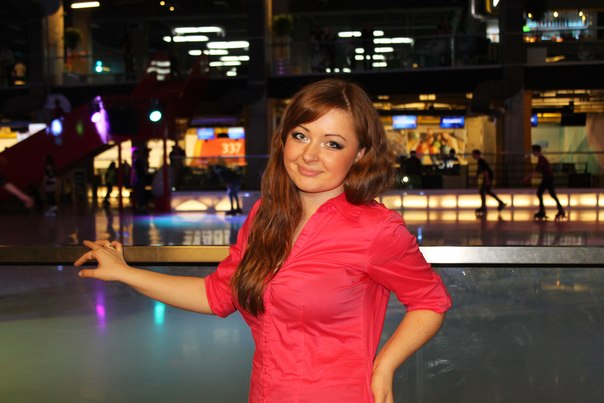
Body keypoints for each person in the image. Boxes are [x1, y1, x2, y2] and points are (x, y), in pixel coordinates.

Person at [74, 79, 451, 402]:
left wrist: (384, 366)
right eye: (301, 135)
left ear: (360, 154)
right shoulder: (265, 216)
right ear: (283, 139)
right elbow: (218, 295)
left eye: (332, 144)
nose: (309, 155)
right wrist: (125, 272)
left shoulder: (375, 229)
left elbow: (429, 301)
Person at [526, 144, 565, 220]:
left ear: (536, 151)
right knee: (550, 194)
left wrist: (528, 177)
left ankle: (543, 211)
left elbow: (537, 171)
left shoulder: (541, 159)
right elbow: (537, 170)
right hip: (548, 178)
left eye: (533, 151)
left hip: (548, 179)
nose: (532, 153)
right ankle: (559, 210)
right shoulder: (541, 159)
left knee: (541, 193)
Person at [472, 149, 505, 215]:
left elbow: (485, 171)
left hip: (488, 177)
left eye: (473, 154)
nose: (472, 156)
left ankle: (484, 206)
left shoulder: (481, 161)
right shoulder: (480, 161)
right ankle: (500, 203)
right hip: (488, 177)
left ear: (477, 154)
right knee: (487, 191)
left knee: (482, 190)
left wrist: (487, 180)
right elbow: (481, 171)